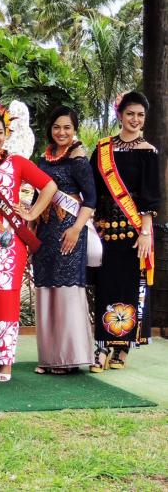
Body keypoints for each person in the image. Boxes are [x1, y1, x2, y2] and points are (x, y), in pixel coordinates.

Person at [0, 109, 56, 382]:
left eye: (0, 132)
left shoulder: (17, 163)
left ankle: (4, 361)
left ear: (6, 135)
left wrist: (31, 212)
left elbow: (49, 186)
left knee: (5, 300)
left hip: (8, 243)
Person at [90, 91, 160, 371]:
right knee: (104, 286)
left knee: (129, 286)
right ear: (119, 115)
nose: (135, 119)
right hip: (104, 230)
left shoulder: (148, 152)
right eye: (130, 113)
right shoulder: (103, 149)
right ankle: (102, 346)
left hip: (132, 233)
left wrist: (145, 232)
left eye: (140, 115)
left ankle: (121, 348)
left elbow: (150, 196)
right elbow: (92, 187)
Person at [33, 106, 96, 375]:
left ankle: (68, 357)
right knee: (46, 289)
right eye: (57, 127)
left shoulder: (78, 160)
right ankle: (49, 357)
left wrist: (76, 229)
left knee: (66, 291)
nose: (62, 132)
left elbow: (90, 199)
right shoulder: (44, 161)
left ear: (74, 129)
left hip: (69, 232)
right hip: (45, 232)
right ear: (50, 129)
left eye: (67, 127)